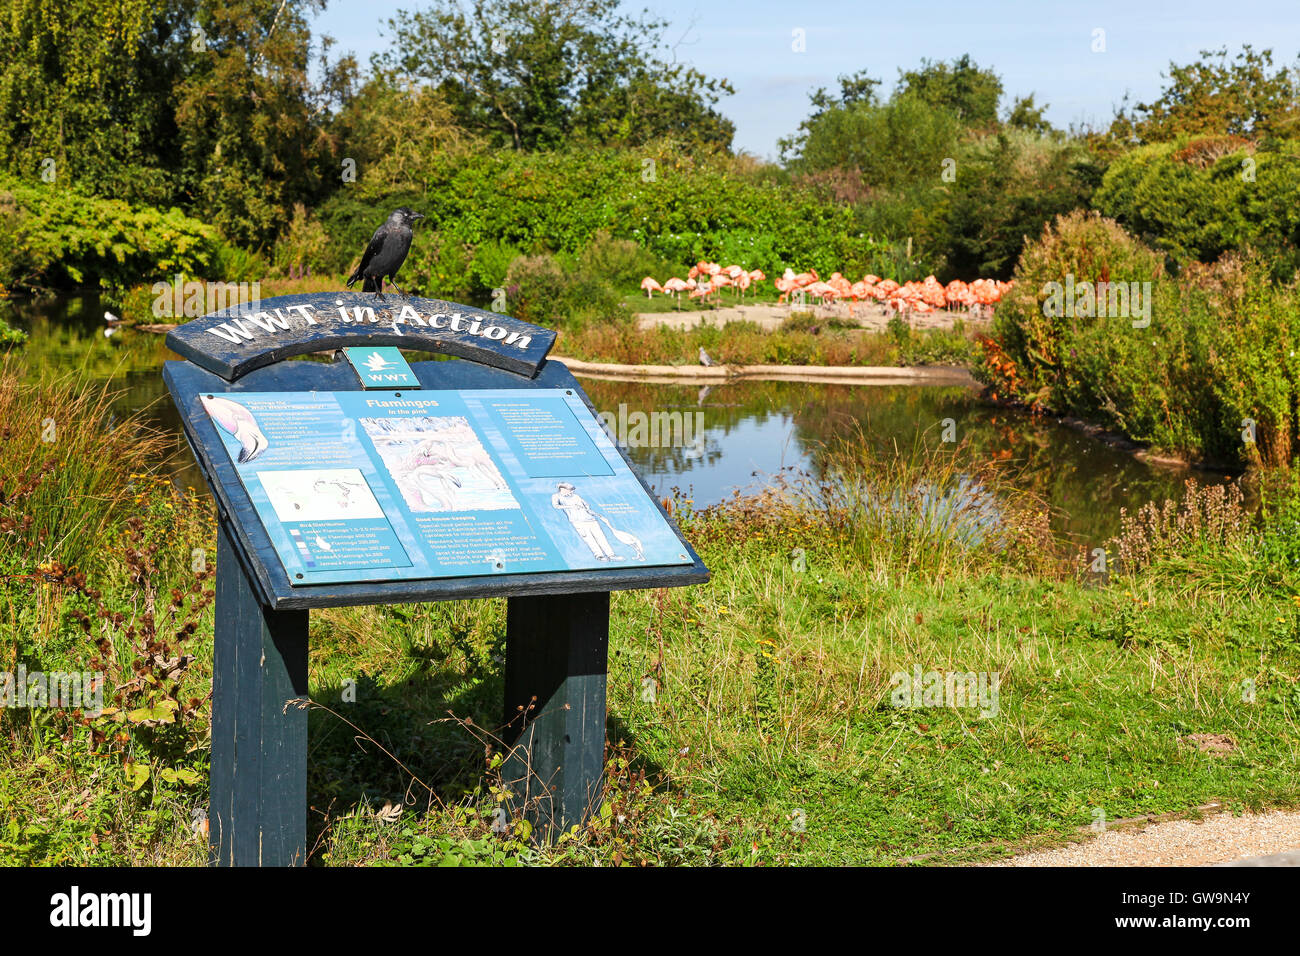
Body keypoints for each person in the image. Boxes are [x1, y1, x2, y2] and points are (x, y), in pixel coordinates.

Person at [551, 482, 619, 560]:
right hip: (578, 522)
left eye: (572, 490)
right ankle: (599, 556)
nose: (572, 492)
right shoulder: (556, 496)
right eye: (570, 490)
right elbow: (556, 506)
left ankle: (611, 555)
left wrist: (587, 508)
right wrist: (571, 506)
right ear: (563, 489)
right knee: (589, 539)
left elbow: (586, 504)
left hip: (590, 519)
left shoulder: (576, 496)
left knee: (601, 537)